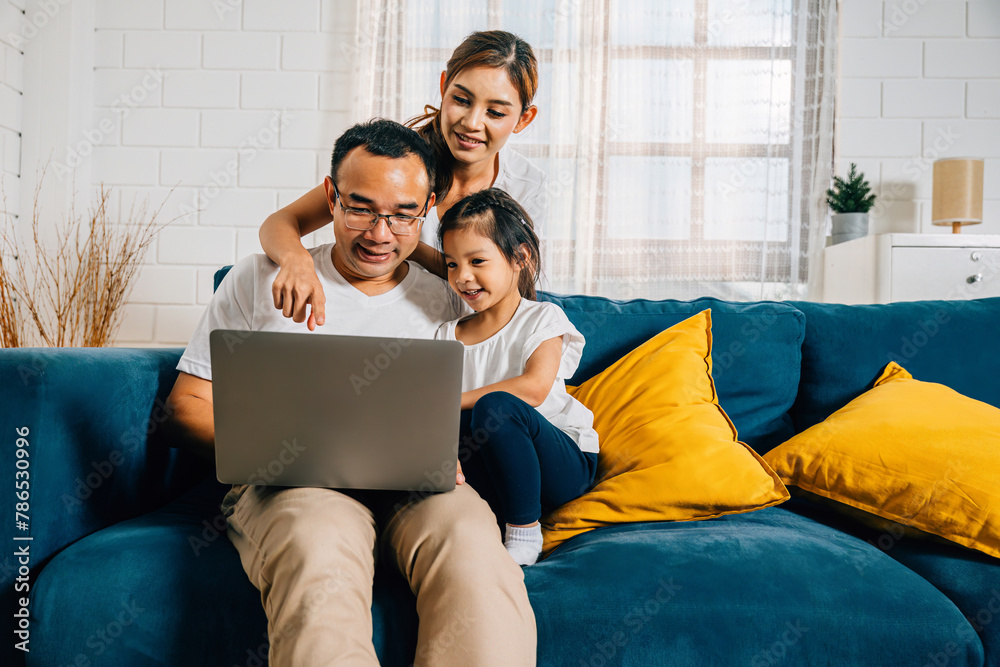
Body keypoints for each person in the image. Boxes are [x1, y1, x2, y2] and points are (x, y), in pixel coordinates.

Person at [164, 119, 536, 666]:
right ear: (331, 197)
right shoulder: (258, 279)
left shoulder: (456, 296)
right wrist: (289, 453)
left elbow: (518, 383)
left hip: (421, 489)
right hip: (296, 487)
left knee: (475, 555)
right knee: (318, 553)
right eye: (360, 208)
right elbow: (185, 408)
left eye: (403, 214)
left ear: (428, 209)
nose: (380, 233)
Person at [260, 30, 545, 331]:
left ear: (523, 119)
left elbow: (516, 288)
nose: (472, 123)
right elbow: (281, 222)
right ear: (443, 87)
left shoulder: (526, 185)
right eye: (461, 100)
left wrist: (411, 248)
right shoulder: (403, 167)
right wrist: (297, 261)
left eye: (495, 112)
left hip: (469, 329)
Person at [434, 189, 599, 566]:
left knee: (495, 407)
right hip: (493, 472)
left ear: (520, 258)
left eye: (477, 261)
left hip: (560, 467)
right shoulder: (446, 334)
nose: (463, 277)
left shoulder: (542, 318)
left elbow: (534, 388)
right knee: (452, 425)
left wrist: (447, 401)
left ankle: (524, 530)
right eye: (452, 264)